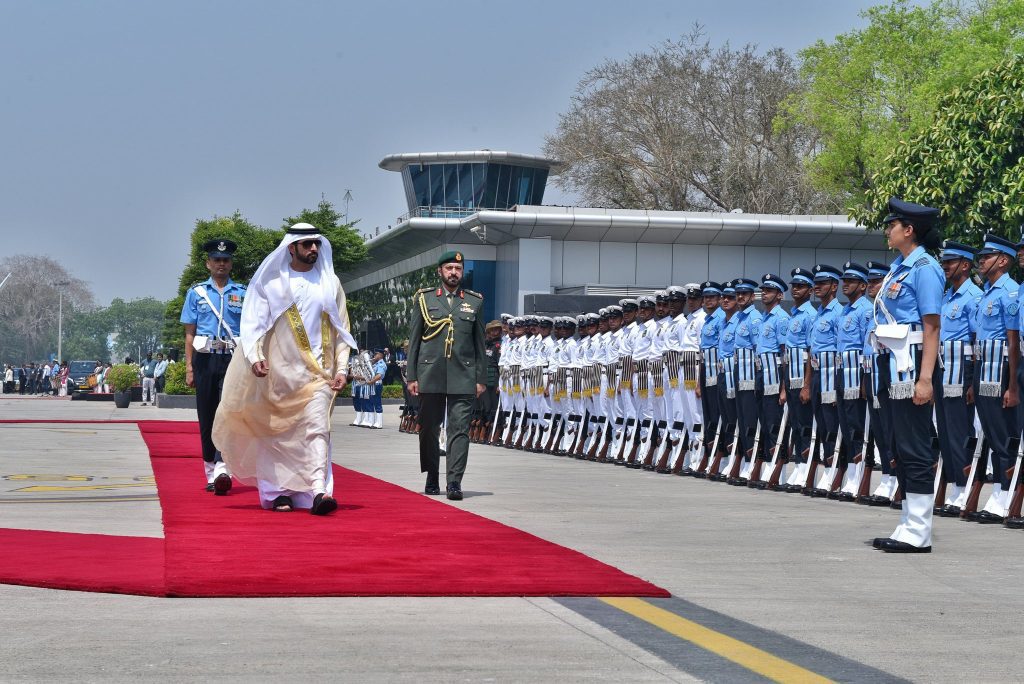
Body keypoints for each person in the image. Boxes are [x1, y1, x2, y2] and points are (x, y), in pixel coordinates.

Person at [214, 223, 356, 514]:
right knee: (276, 435)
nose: (313, 249)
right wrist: (254, 358)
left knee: (318, 429)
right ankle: (278, 493)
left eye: (316, 243)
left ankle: (318, 491)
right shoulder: (272, 283)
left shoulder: (330, 283)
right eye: (307, 244)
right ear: (291, 247)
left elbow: (343, 329)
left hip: (318, 375)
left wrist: (342, 367)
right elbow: (253, 324)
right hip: (277, 375)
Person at [870, 198, 944, 553]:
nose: (888, 230)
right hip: (895, 361)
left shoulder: (924, 268)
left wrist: (926, 378)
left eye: (892, 224)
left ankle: (920, 530)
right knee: (900, 444)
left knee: (915, 446)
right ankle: (907, 523)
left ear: (909, 229)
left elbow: (931, 327)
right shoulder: (900, 266)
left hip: (914, 361)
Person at [405, 250, 486, 501]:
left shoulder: (474, 301)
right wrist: (411, 376)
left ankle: (454, 482)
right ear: (440, 271)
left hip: (464, 375)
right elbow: (415, 340)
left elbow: (480, 343)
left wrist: (481, 378)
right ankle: (432, 475)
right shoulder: (424, 299)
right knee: (429, 428)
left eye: (458, 269)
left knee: (459, 429)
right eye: (449, 268)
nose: (454, 273)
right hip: (430, 374)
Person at [180, 238, 246, 494]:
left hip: (232, 358)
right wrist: (189, 367)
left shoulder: (242, 292)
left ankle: (222, 466)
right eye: (217, 260)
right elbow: (189, 333)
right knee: (207, 414)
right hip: (205, 359)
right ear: (208, 263)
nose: (221, 264)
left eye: (226, 260)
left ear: (231, 264)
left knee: (227, 413)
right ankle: (210, 469)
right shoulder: (196, 293)